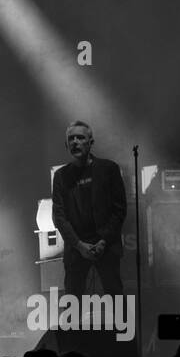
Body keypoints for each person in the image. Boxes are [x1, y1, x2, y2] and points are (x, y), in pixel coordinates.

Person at [51, 120, 126, 298]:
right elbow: (59, 217)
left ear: (91, 142)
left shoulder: (109, 169)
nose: (75, 142)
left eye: (80, 137)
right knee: (72, 300)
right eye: (71, 138)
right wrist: (78, 245)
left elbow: (119, 210)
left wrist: (103, 241)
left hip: (105, 246)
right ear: (66, 145)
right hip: (77, 247)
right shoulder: (61, 176)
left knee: (115, 296)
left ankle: (123, 327)